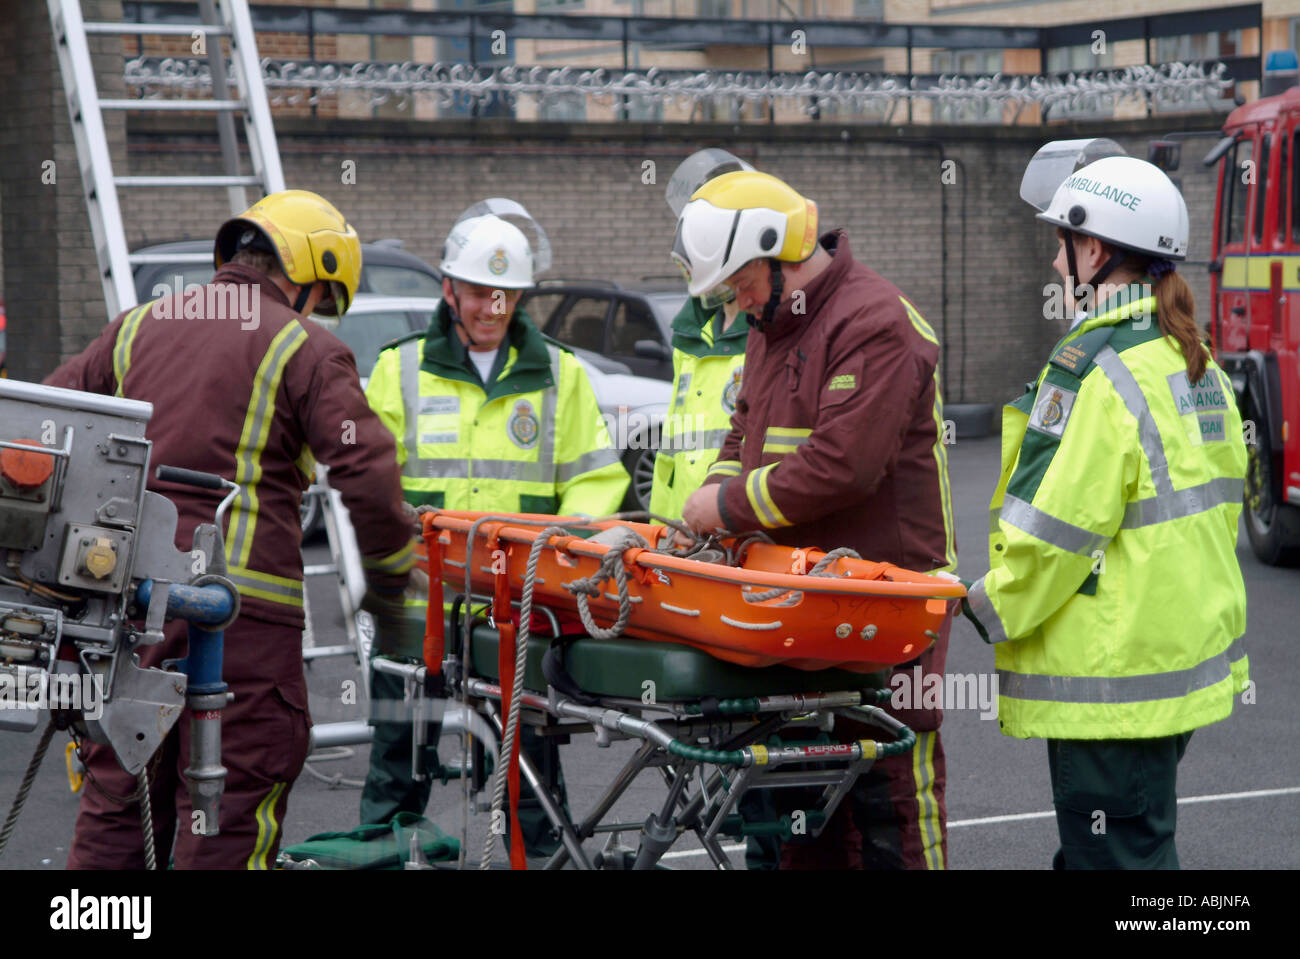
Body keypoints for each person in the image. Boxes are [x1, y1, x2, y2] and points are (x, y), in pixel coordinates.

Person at [44, 189, 415, 869]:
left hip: (131, 622)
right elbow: (366, 464)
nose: (321, 313)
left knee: (117, 808)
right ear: (307, 271)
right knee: (224, 815)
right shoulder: (306, 347)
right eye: (324, 296)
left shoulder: (136, 326)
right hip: (242, 627)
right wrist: (393, 579)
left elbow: (46, 427)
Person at [964, 148, 1249, 869]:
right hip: (1170, 659)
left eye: (1062, 247)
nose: (1057, 268)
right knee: (1125, 848)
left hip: (1111, 677)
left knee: (1116, 861)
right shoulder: (1191, 359)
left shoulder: (1094, 370)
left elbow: (1056, 529)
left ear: (1092, 248)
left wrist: (989, 605)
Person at [673, 169, 957, 869]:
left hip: (889, 601)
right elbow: (742, 438)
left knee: (890, 803)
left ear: (780, 251)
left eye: (741, 283)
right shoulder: (771, 325)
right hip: (805, 602)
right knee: (804, 805)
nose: (737, 306)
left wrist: (727, 508)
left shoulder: (876, 320)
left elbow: (843, 463)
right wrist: (707, 512)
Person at [361, 198, 629, 856]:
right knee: (399, 751)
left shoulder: (562, 377)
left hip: (519, 610)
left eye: (507, 296)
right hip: (418, 608)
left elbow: (596, 485)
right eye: (480, 293)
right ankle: (382, 853)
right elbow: (365, 486)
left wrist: (562, 560)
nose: (493, 309)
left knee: (527, 757)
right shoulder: (398, 370)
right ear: (449, 289)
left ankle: (541, 857)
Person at [651, 149, 753, 523]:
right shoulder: (692, 334)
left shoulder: (773, 335)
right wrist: (659, 536)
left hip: (740, 535)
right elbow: (672, 456)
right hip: (680, 535)